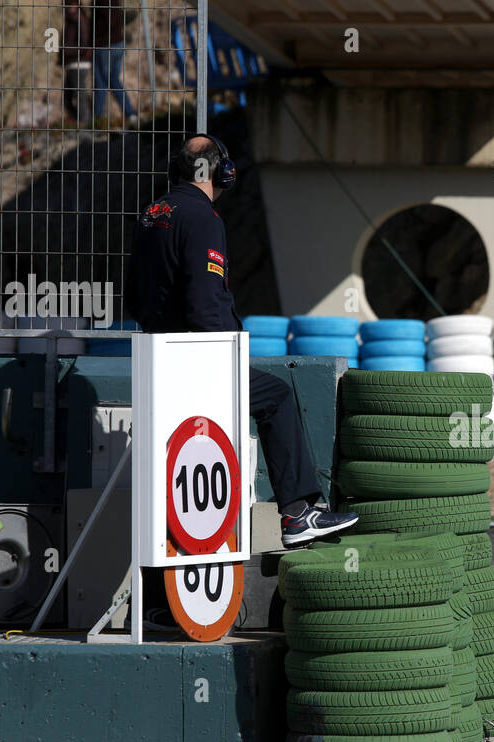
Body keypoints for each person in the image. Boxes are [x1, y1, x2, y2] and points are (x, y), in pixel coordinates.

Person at [123, 135, 359, 547]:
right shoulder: (202, 218)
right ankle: (298, 514)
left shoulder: (152, 213)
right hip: (198, 356)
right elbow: (204, 302)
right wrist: (224, 354)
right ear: (218, 172)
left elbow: (132, 296)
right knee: (277, 397)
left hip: (159, 354)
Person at [91, 0, 137, 126]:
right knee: (113, 79)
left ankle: (98, 119)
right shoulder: (116, 2)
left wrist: (94, 39)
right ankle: (131, 114)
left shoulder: (101, 3)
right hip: (118, 43)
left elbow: (106, 21)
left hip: (105, 45)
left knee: (101, 81)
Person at [61, 2, 93, 126]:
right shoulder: (70, 20)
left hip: (79, 64)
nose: (68, 8)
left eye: (70, 5)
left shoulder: (80, 19)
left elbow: (84, 45)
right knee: (68, 98)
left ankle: (85, 124)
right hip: (72, 63)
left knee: (80, 97)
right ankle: (81, 122)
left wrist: (67, 50)